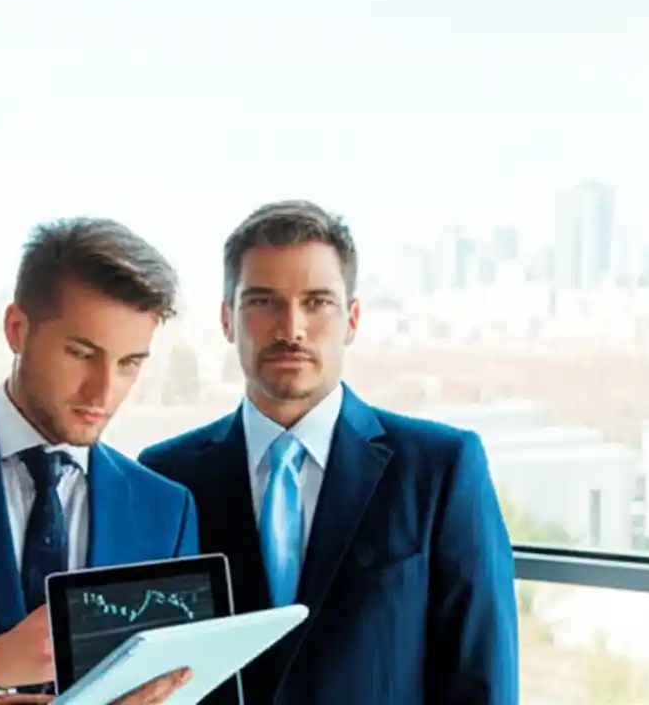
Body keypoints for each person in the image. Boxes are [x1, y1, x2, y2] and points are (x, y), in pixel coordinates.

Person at [139, 200, 519, 704]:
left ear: (352, 319)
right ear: (227, 320)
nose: (290, 328)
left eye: (316, 302)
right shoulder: (167, 476)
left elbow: (482, 677)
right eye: (262, 301)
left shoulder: (440, 468)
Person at [0, 217, 199, 704]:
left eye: (129, 364)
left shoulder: (166, 511)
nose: (103, 391)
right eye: (82, 353)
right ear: (16, 329)